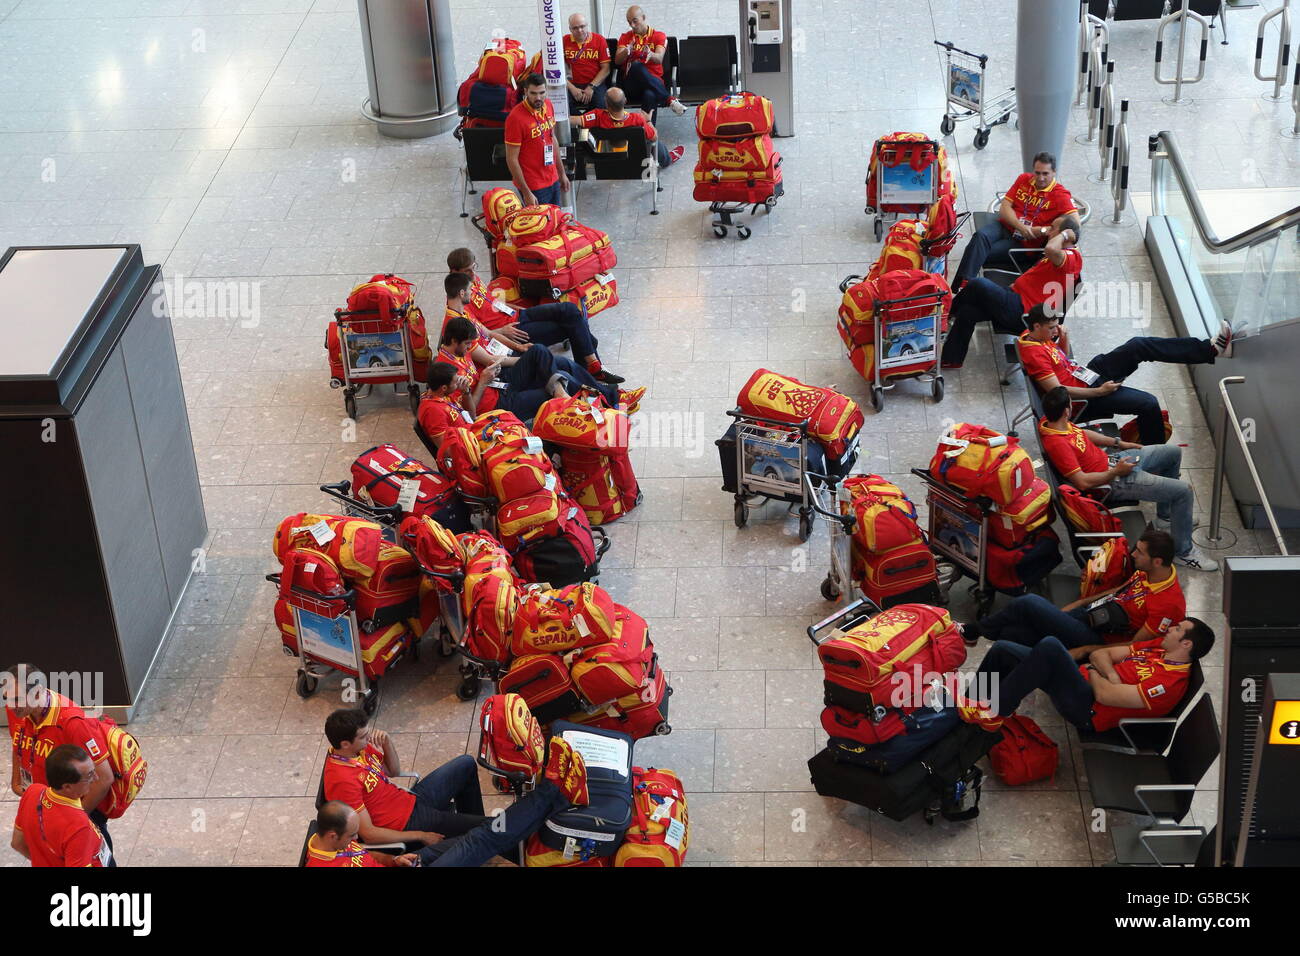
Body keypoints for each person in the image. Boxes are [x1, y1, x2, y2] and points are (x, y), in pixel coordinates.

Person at [307, 732, 587, 868]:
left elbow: (365, 854)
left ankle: (556, 796)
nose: (357, 839)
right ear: (333, 835)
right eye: (352, 835)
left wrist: (395, 861)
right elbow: (366, 839)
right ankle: (554, 790)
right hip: (414, 834)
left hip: (410, 857)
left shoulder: (337, 844)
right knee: (485, 836)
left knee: (484, 832)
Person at [1038, 386, 1217, 571]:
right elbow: (1082, 481)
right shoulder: (1058, 444)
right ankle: (1184, 553)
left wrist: (1119, 443)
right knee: (1183, 491)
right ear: (1067, 411)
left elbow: (1082, 434)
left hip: (1115, 461)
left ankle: (1166, 517)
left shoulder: (1052, 422)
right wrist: (1116, 472)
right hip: (1114, 482)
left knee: (1173, 452)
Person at [1018, 305, 1233, 446]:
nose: (1055, 331)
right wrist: (1099, 391)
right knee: (1149, 404)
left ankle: (1210, 350)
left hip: (1087, 375)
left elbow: (1061, 360)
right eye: (1052, 328)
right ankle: (1157, 456)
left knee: (1138, 345)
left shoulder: (1034, 336)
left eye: (1057, 327)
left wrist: (1063, 339)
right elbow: (1059, 392)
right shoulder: (1034, 353)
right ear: (1037, 325)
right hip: (1085, 399)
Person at [959, 529, 1188, 651]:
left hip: (1098, 638)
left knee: (1028, 602)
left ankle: (972, 632)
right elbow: (1114, 592)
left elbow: (1134, 646)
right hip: (1090, 614)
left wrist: (1087, 650)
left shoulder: (1167, 602)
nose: (1133, 555)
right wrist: (1072, 608)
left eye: (1140, 552)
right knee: (1013, 635)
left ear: (1157, 561)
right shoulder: (1147, 572)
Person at [974, 618, 1214, 733]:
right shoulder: (1159, 648)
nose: (1171, 628)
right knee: (1003, 649)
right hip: (1081, 684)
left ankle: (990, 716)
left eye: (1178, 629)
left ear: (1186, 645)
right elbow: (1103, 655)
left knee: (1049, 645)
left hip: (1088, 710)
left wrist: (1092, 670)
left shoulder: (1169, 683)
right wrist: (1108, 671)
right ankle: (970, 703)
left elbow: (1104, 694)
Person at [446, 250, 625, 384]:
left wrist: (521, 309)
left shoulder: (472, 280)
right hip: (512, 331)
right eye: (468, 271)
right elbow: (479, 332)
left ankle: (591, 366)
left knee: (570, 310)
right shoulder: (460, 298)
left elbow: (494, 302)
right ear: (454, 271)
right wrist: (503, 331)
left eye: (474, 268)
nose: (473, 274)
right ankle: (593, 368)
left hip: (518, 315)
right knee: (574, 329)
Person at [322, 708, 491, 848]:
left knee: (465, 764)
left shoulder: (359, 750)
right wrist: (420, 835)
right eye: (363, 736)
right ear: (345, 744)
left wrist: (387, 743)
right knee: (495, 826)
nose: (369, 738)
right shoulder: (341, 781)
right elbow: (369, 834)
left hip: (410, 799)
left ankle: (477, 840)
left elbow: (394, 771)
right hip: (405, 823)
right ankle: (480, 835)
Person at [940, 215, 1083, 369]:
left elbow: (1050, 249)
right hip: (1014, 297)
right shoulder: (1062, 255)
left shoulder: (1071, 258)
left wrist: (1064, 234)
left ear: (1066, 235)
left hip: (1022, 313)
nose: (1049, 232)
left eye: (1054, 228)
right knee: (968, 312)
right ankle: (951, 359)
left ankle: (944, 316)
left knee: (977, 284)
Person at [3, 664, 118, 854]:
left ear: (38, 693)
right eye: (7, 699)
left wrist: (76, 818)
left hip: (75, 807)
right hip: (44, 802)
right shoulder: (19, 709)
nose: (10, 705)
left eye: (17, 699)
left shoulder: (72, 722)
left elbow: (104, 778)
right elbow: (17, 741)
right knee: (26, 846)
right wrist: (16, 780)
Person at [952, 151, 1076, 290]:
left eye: (1045, 174)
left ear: (1054, 172)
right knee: (980, 236)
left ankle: (962, 288)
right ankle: (962, 286)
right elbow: (1005, 208)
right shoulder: (1024, 179)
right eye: (1037, 172)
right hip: (1006, 226)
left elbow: (1074, 226)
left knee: (978, 251)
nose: (1040, 178)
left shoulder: (1060, 195)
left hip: (1024, 244)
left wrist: (1044, 230)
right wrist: (1021, 226)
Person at [11, 745, 114, 867]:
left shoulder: (32, 791)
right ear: (67, 786)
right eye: (89, 775)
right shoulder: (79, 826)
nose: (96, 778)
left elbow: (17, 843)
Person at [570, 85, 685, 169]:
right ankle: (667, 159)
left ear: (606, 104)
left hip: (605, 161)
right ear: (625, 101)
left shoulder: (596, 116)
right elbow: (654, 137)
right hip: (634, 162)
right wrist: (648, 120)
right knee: (651, 139)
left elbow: (574, 120)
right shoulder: (637, 119)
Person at [505, 73, 569, 207]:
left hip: (553, 178)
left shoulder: (549, 105)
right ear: (526, 91)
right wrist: (526, 192)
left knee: (555, 221)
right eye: (533, 93)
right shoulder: (515, 118)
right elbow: (511, 159)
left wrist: (562, 173)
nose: (538, 98)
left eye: (542, 93)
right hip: (533, 185)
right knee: (541, 226)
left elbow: (553, 139)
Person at [616, 5, 686, 117]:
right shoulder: (626, 37)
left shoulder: (658, 36)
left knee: (650, 95)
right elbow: (617, 61)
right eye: (629, 22)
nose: (632, 25)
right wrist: (627, 51)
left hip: (654, 83)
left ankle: (649, 132)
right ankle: (669, 100)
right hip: (632, 85)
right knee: (636, 65)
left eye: (635, 21)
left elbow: (659, 59)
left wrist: (651, 54)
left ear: (643, 17)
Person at [564, 12, 611, 113]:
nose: (580, 31)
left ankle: (586, 123)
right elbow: (556, 70)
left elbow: (606, 69)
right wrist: (572, 88)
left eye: (582, 26)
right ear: (570, 29)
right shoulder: (564, 41)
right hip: (571, 85)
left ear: (587, 25)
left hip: (595, 83)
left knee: (601, 106)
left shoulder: (599, 40)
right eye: (575, 28)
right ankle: (578, 124)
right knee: (561, 105)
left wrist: (591, 87)